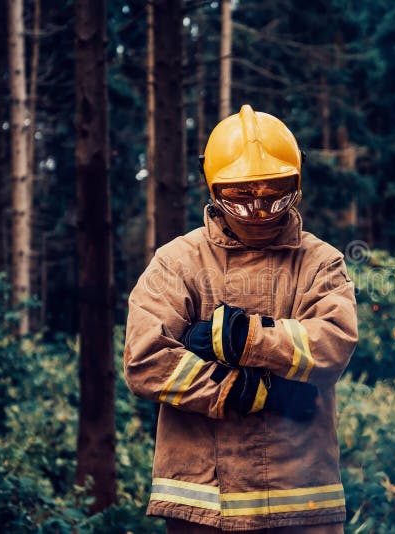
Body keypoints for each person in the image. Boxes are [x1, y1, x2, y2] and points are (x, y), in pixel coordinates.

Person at [123, 104, 359, 533]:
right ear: (213, 189)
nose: (260, 210)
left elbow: (332, 344)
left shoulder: (322, 263)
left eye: (275, 193)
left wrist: (240, 338)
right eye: (241, 197)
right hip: (202, 504)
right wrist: (240, 389)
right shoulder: (176, 263)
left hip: (301, 502)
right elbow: (145, 360)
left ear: (297, 183)